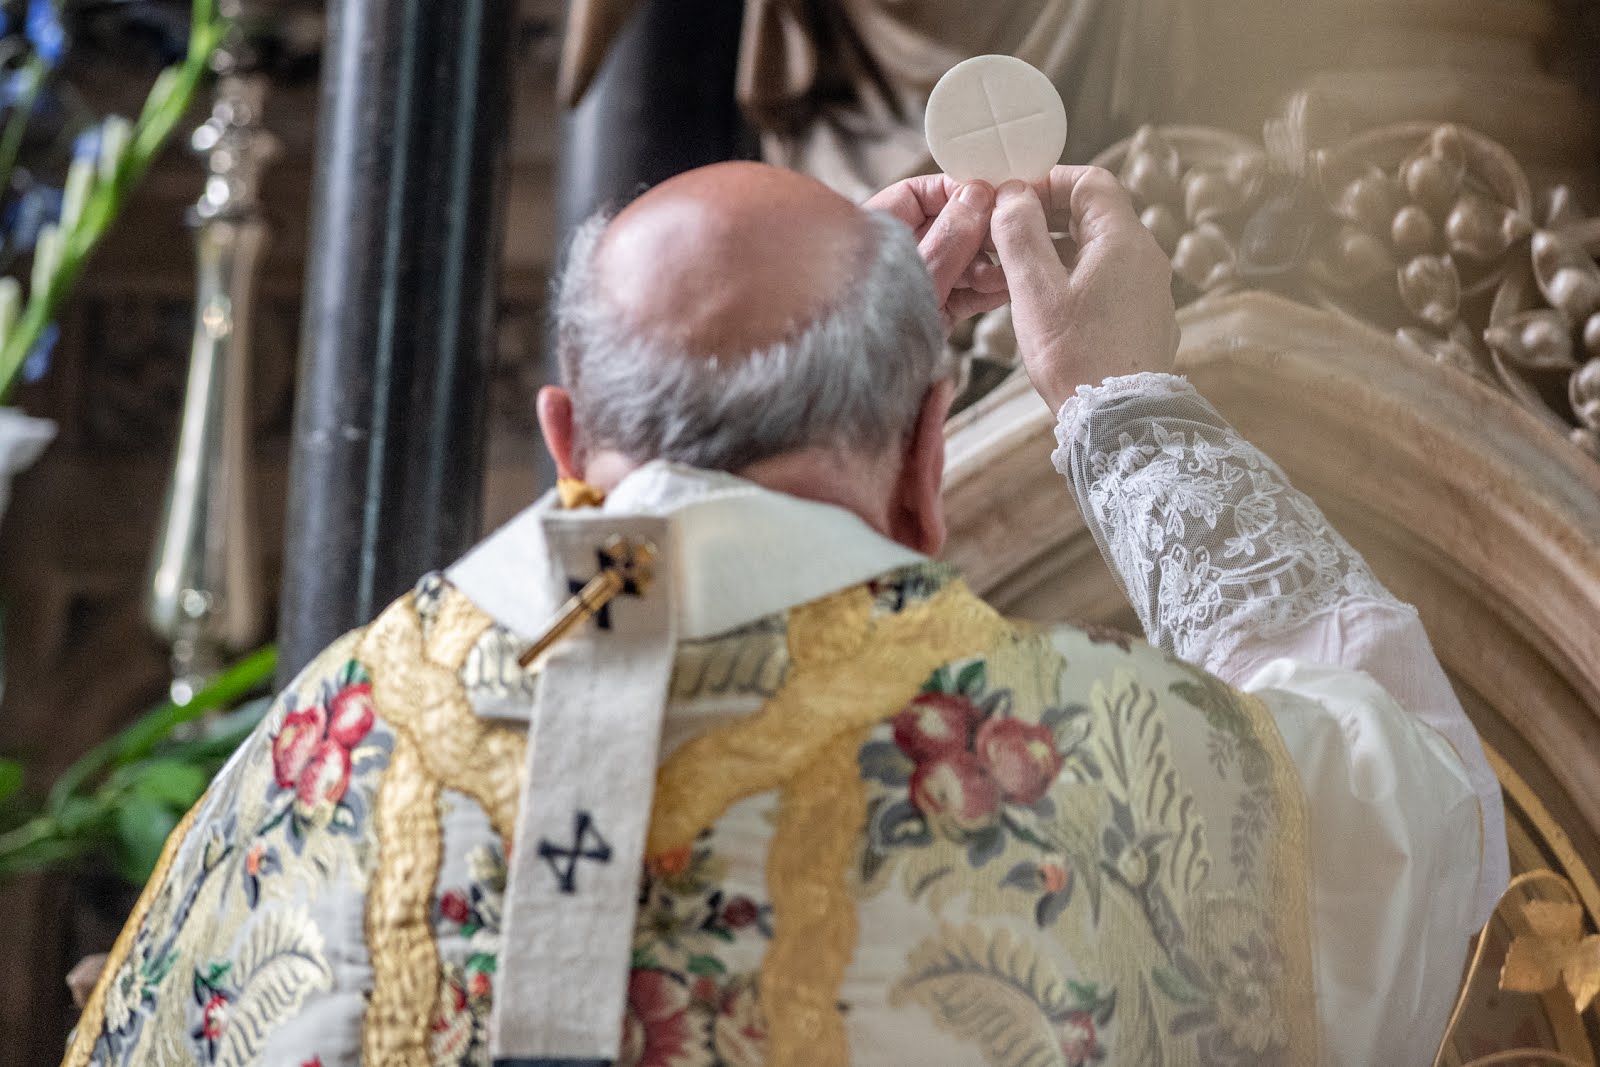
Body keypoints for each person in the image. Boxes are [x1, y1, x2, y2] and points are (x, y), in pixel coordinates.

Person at [64, 160, 1504, 1067]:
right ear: (932, 459)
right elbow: (1421, 823)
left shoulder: (303, 767)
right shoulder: (1088, 765)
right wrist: (1124, 411)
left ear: (568, 435)